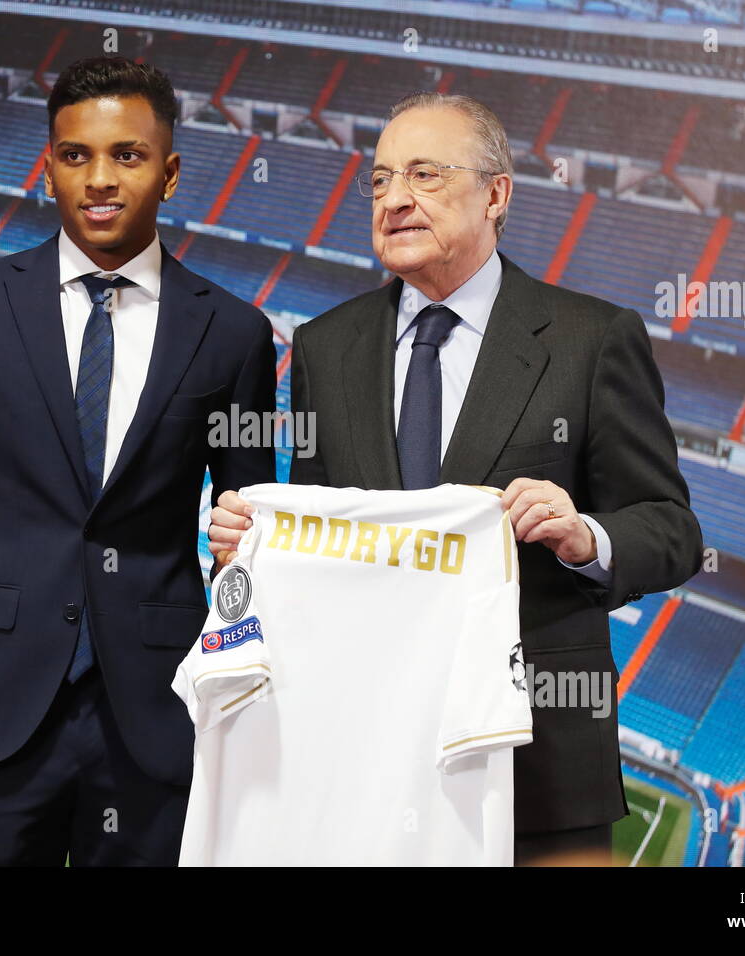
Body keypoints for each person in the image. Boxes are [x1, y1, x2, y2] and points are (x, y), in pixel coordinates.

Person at [208, 91, 703, 866]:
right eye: (378, 181)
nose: (394, 199)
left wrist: (585, 536)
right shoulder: (325, 348)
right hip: (364, 760)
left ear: (496, 193)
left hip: (539, 766)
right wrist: (248, 547)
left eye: (425, 174)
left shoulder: (592, 339)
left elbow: (672, 529)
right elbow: (316, 543)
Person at [0, 55, 276, 865]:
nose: (100, 178)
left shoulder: (235, 333)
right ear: (49, 168)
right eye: (76, 155)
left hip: (155, 716)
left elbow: (257, 539)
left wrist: (248, 687)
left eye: (128, 155)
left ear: (170, 173)